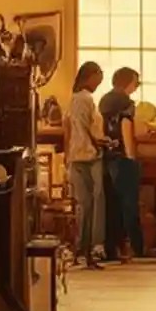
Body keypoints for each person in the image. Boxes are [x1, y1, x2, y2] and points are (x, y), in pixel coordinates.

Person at [100, 67, 146, 260]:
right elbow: (126, 127)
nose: (137, 86)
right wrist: (131, 156)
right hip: (122, 157)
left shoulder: (104, 101)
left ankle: (112, 249)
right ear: (128, 82)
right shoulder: (126, 103)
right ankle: (138, 248)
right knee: (129, 205)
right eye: (136, 82)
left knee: (112, 207)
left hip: (106, 157)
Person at [66, 61, 108, 268]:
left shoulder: (77, 99)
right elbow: (85, 129)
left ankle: (81, 252)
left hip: (79, 156)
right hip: (87, 158)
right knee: (89, 206)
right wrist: (98, 143)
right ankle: (85, 251)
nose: (100, 81)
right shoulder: (84, 99)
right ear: (90, 76)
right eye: (98, 76)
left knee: (85, 207)